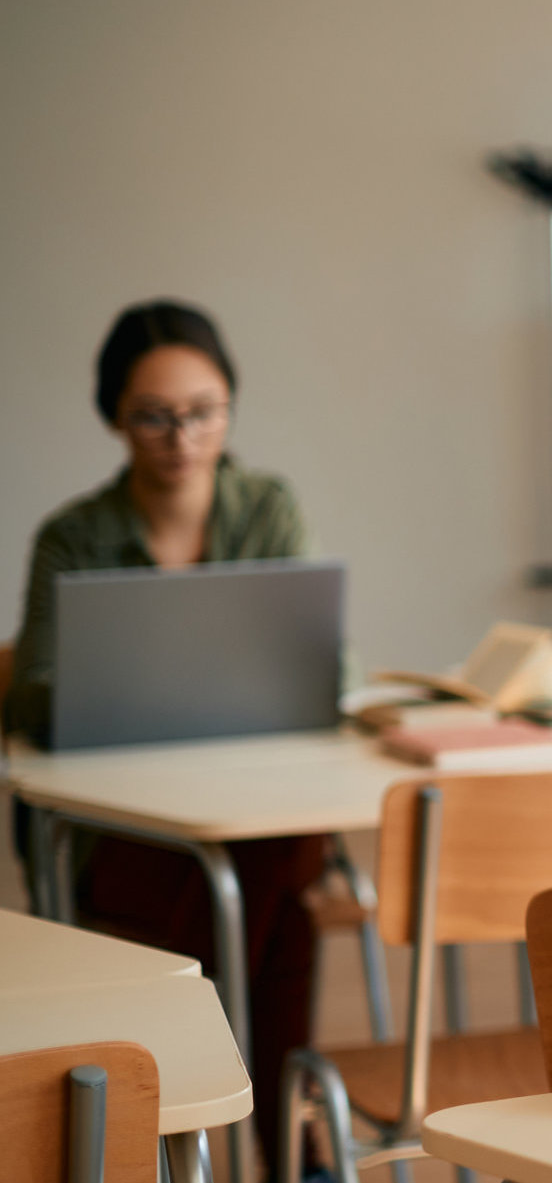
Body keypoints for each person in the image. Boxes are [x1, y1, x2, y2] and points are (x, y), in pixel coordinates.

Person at [5, 299, 326, 1169]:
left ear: (229, 405)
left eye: (204, 410)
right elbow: (30, 697)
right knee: (285, 908)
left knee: (268, 855)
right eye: (156, 414)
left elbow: (313, 658)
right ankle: (297, 1146)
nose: (183, 435)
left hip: (253, 807)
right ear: (116, 415)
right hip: (123, 824)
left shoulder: (267, 506)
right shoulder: (73, 537)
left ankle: (184, 1116)